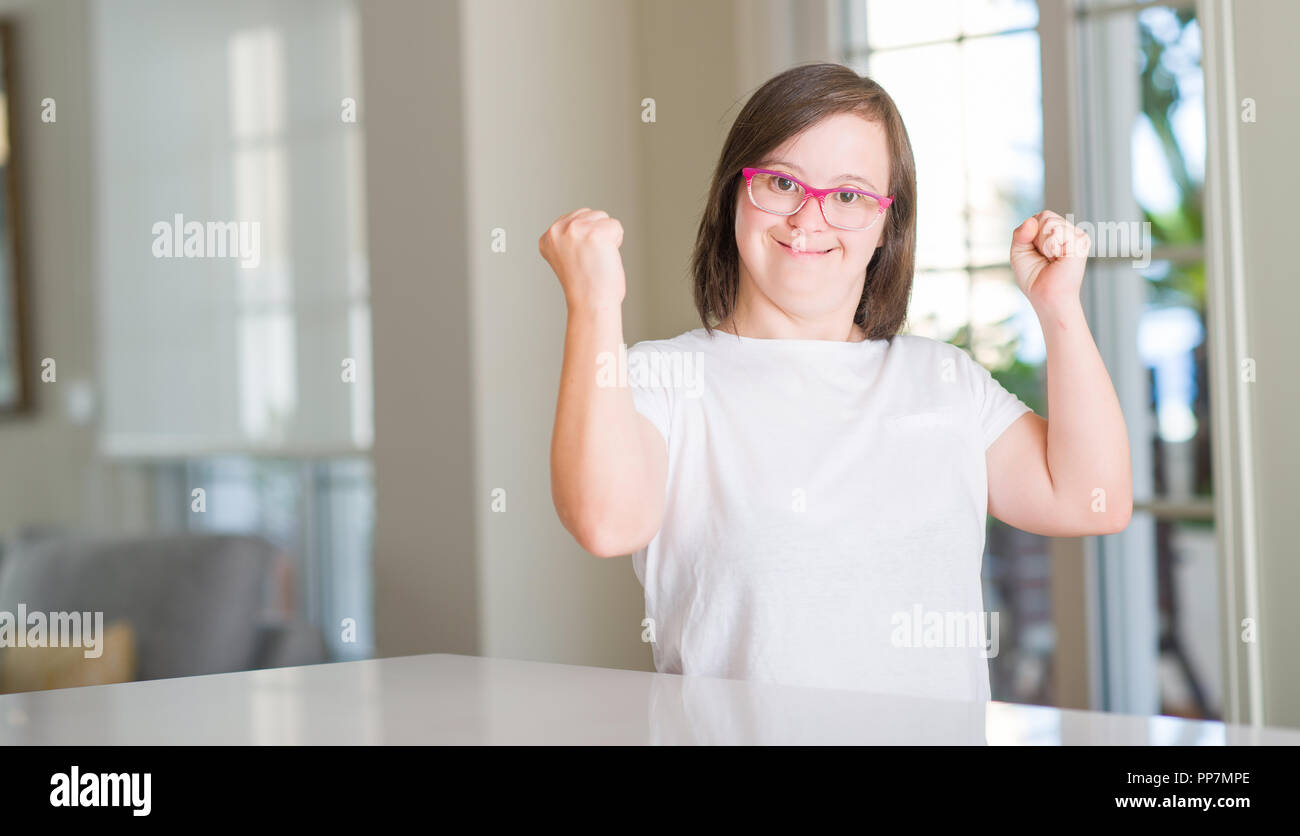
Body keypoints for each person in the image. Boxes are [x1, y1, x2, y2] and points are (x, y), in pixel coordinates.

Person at [540, 62, 1132, 702]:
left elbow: (1091, 498)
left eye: (848, 195)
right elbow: (604, 522)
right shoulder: (662, 377)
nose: (808, 219)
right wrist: (594, 303)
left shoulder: (943, 379)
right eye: (780, 182)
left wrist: (1058, 306)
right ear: (734, 193)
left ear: (887, 223)